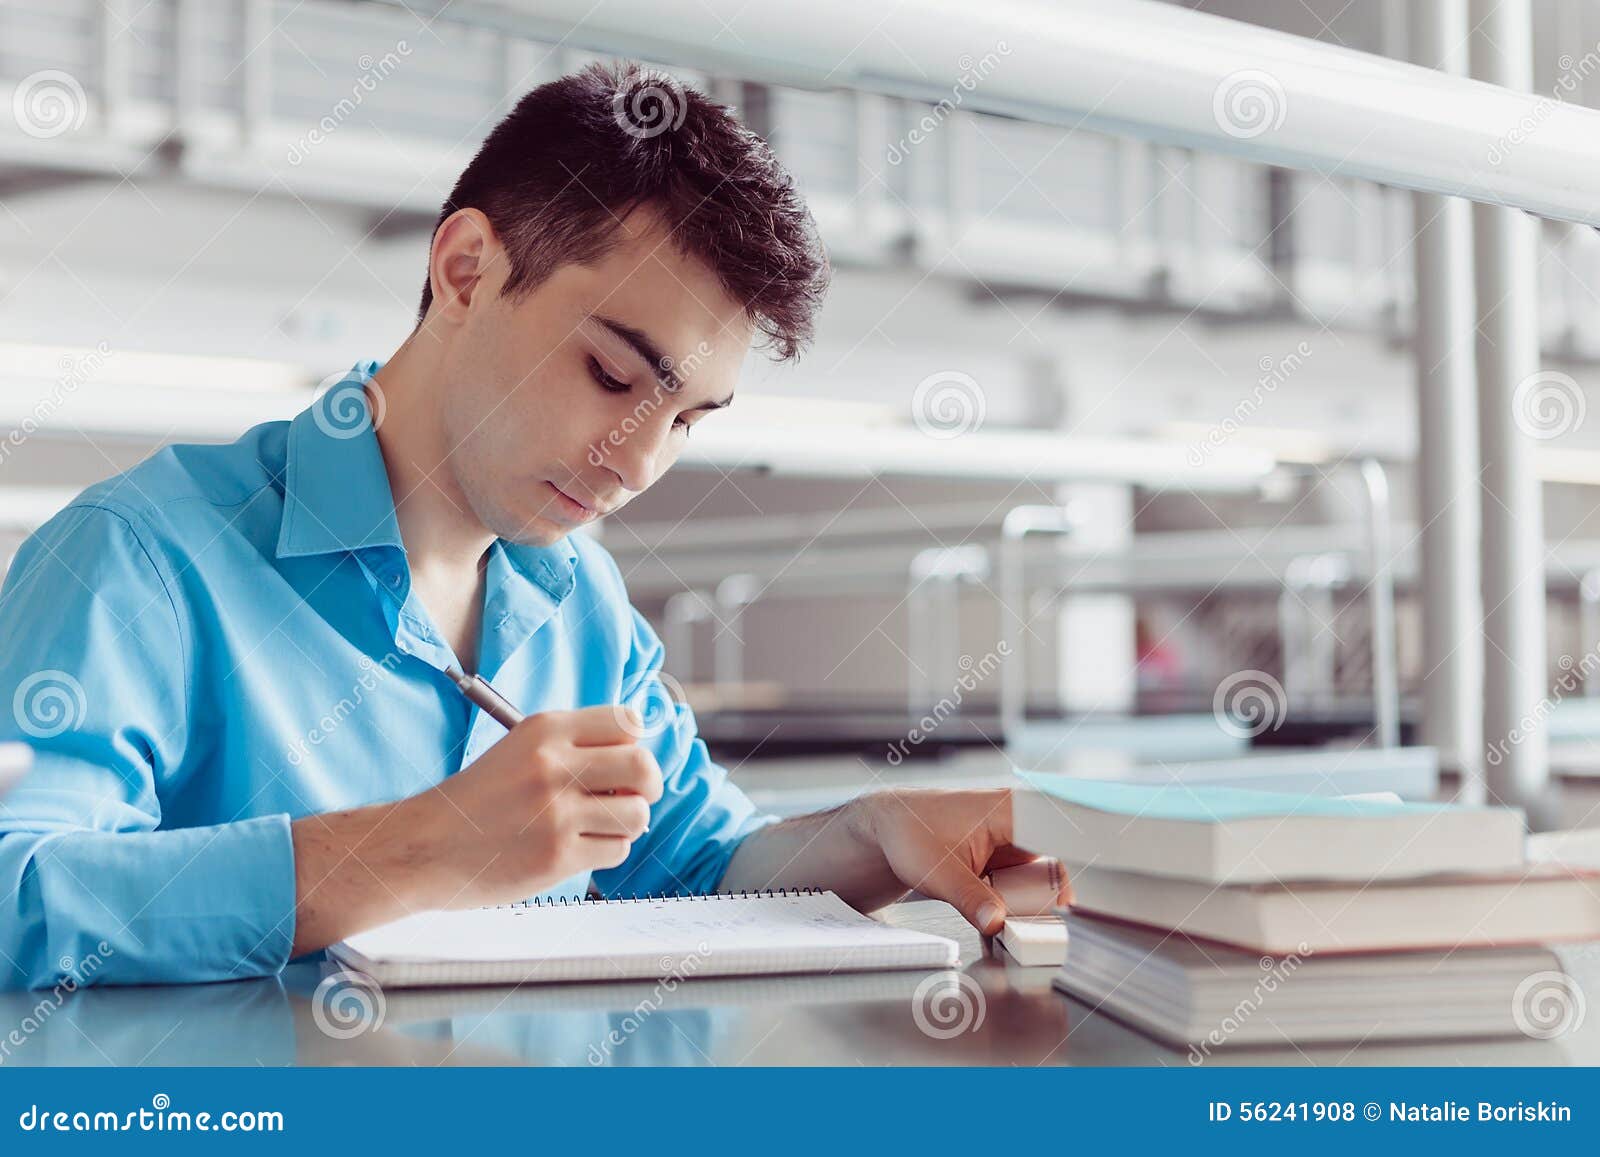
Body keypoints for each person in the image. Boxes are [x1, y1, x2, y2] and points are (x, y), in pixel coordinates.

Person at [0, 62, 1065, 989]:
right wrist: (418, 849)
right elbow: (18, 894)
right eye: (612, 375)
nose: (642, 461)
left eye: (687, 420)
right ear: (466, 269)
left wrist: (869, 832)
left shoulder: (576, 596)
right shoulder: (139, 560)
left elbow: (692, 863)